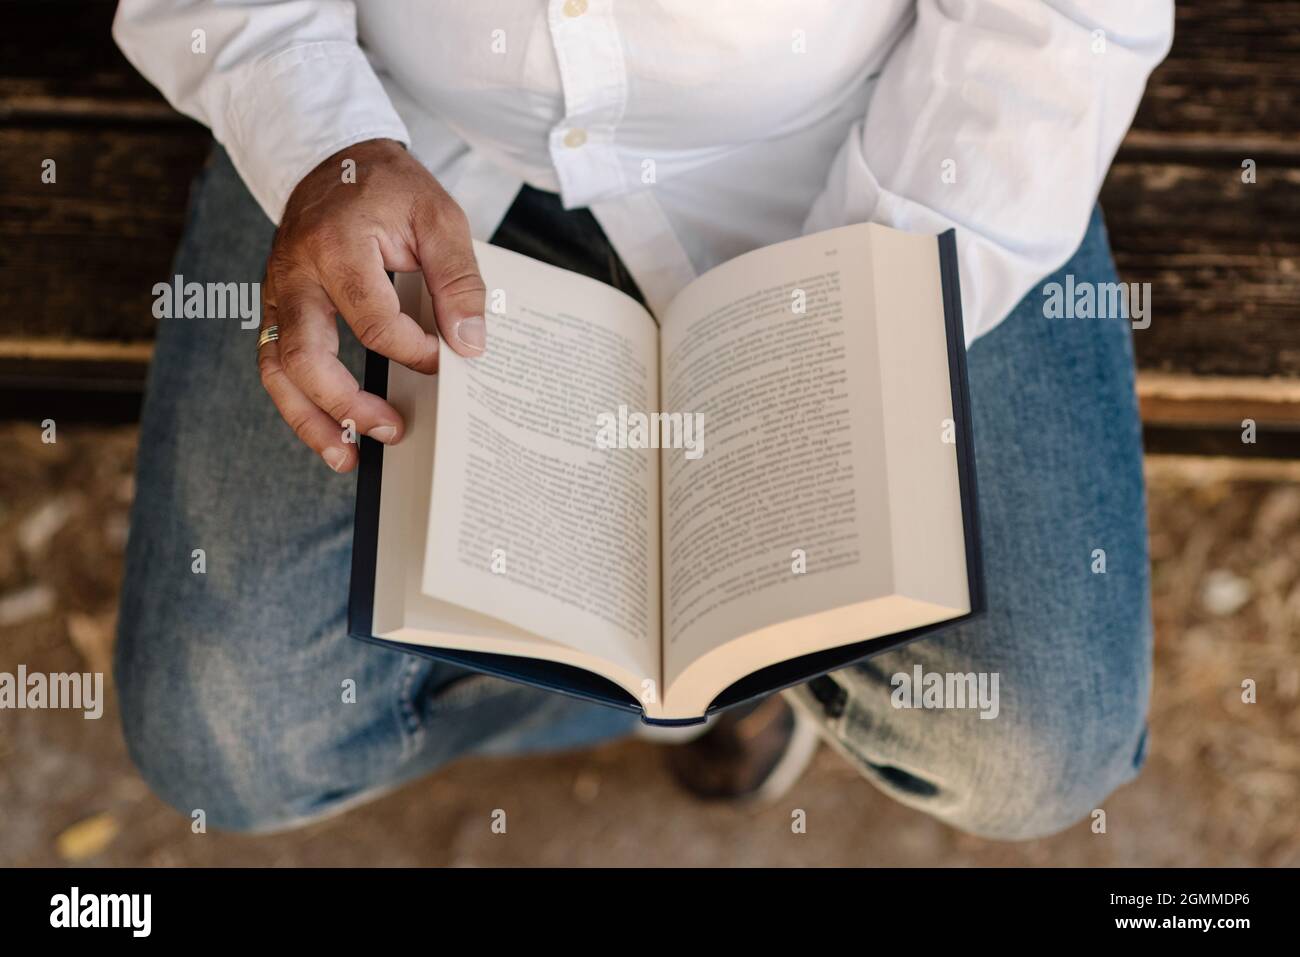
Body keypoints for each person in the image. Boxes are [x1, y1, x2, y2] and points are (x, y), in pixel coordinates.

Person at [110, 1, 1172, 838]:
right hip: (397, 144)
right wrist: (322, 148)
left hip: (875, 154)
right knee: (230, 745)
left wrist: (855, 316)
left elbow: (1062, 14)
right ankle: (691, 690)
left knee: (1034, 743)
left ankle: (717, 674)